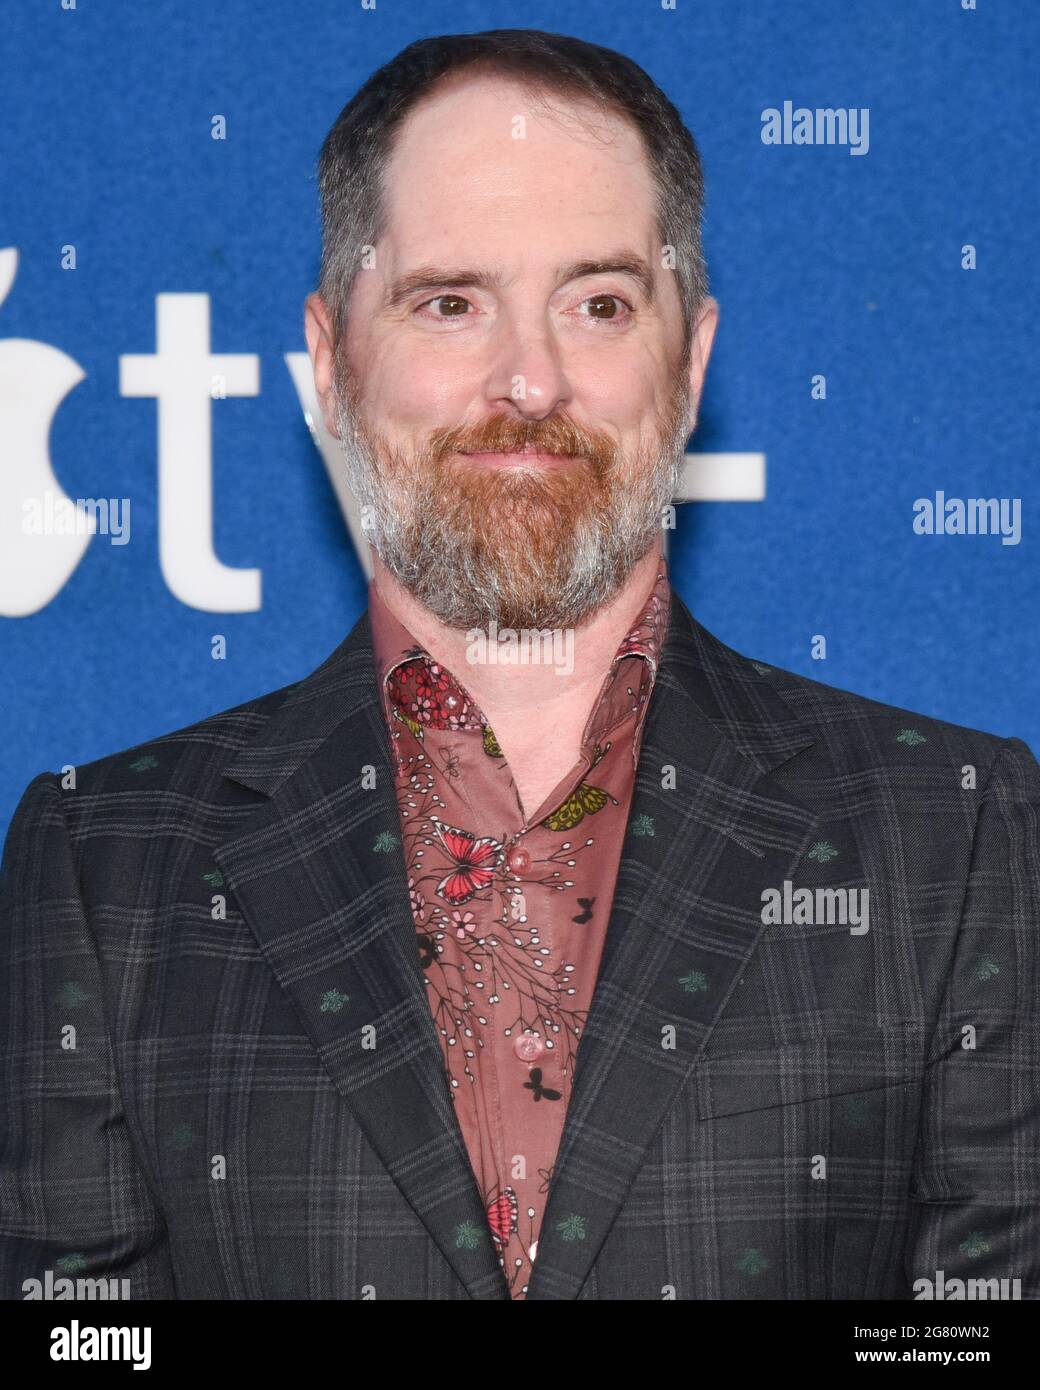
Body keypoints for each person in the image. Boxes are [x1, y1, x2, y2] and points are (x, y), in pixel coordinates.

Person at [2, 29, 1038, 1303]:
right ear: (330, 362)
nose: (528, 378)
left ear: (691, 359)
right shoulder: (105, 863)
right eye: (451, 302)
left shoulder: (953, 830)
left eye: (598, 303)